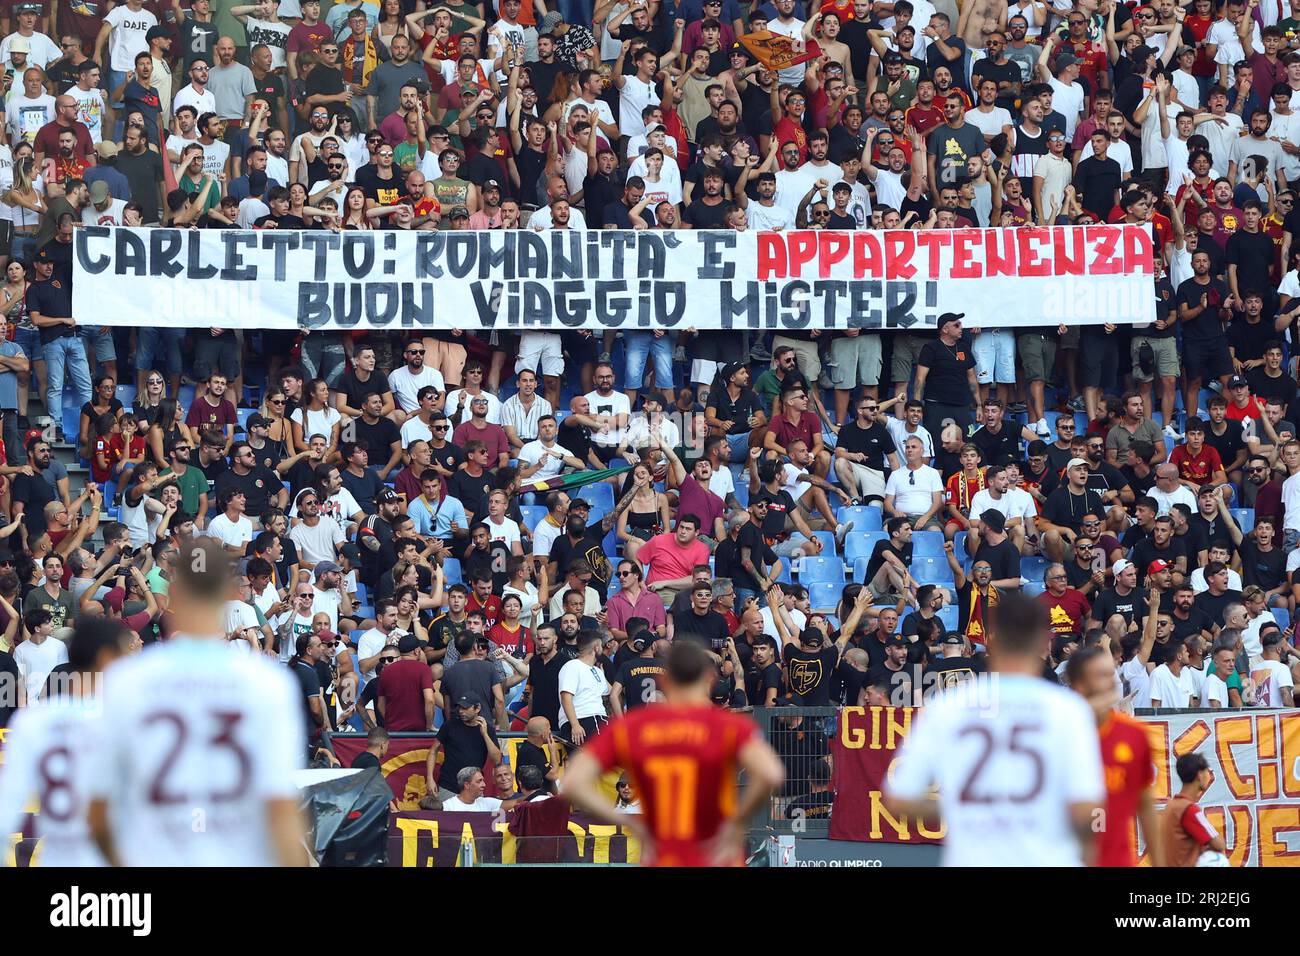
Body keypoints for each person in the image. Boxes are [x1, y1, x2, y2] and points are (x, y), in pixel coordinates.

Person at [86, 539, 309, 866]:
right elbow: (280, 812)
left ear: (174, 595)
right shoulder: (267, 683)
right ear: (225, 594)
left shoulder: (130, 680)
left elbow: (98, 812)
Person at [886, 593, 1104, 866]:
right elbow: (1086, 809)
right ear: (1042, 641)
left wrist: (965, 807)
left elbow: (898, 798)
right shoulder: (1068, 710)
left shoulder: (948, 707)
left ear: (992, 640)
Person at [562, 640, 786, 867]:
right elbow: (771, 773)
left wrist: (629, 822)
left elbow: (572, 782)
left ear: (666, 681)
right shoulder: (727, 726)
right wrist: (737, 822)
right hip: (716, 856)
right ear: (709, 679)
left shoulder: (634, 727)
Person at [0, 617, 132, 866]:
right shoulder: (121, 718)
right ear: (106, 657)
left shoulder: (32, 721)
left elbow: (5, 808)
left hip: (56, 857)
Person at [1065, 645, 1164, 868]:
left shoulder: (1134, 734)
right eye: (1101, 676)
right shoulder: (1058, 733)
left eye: (1111, 674)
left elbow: (1146, 806)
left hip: (1118, 861)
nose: (1111, 682)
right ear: (1079, 685)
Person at [1161, 752, 1229, 867]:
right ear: (1199, 775)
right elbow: (1219, 844)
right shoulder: (1189, 809)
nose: (1209, 776)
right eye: (1208, 771)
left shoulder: (1171, 806)